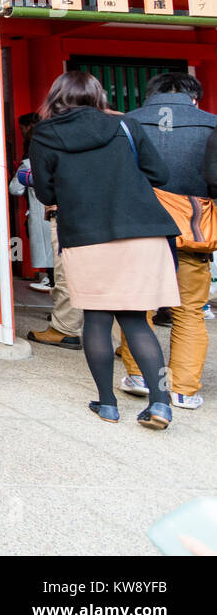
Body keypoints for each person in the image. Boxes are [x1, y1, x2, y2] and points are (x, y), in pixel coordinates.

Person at [29, 71, 179, 430]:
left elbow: (46, 194)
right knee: (135, 321)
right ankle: (161, 403)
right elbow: (159, 173)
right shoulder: (125, 126)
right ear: (98, 95)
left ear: (55, 97)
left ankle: (108, 403)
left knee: (96, 320)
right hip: (142, 232)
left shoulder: (44, 135)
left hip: (86, 235)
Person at [121, 72, 216, 409]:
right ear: (194, 97)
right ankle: (183, 389)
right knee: (189, 310)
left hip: (137, 229)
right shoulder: (211, 125)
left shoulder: (127, 123)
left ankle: (139, 376)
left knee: (137, 305)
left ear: (150, 96)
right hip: (190, 232)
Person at [10, 113, 56, 294]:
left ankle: (51, 280)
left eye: (22, 129)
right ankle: (52, 278)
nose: (20, 132)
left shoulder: (28, 163)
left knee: (49, 246)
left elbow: (15, 188)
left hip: (40, 207)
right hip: (60, 206)